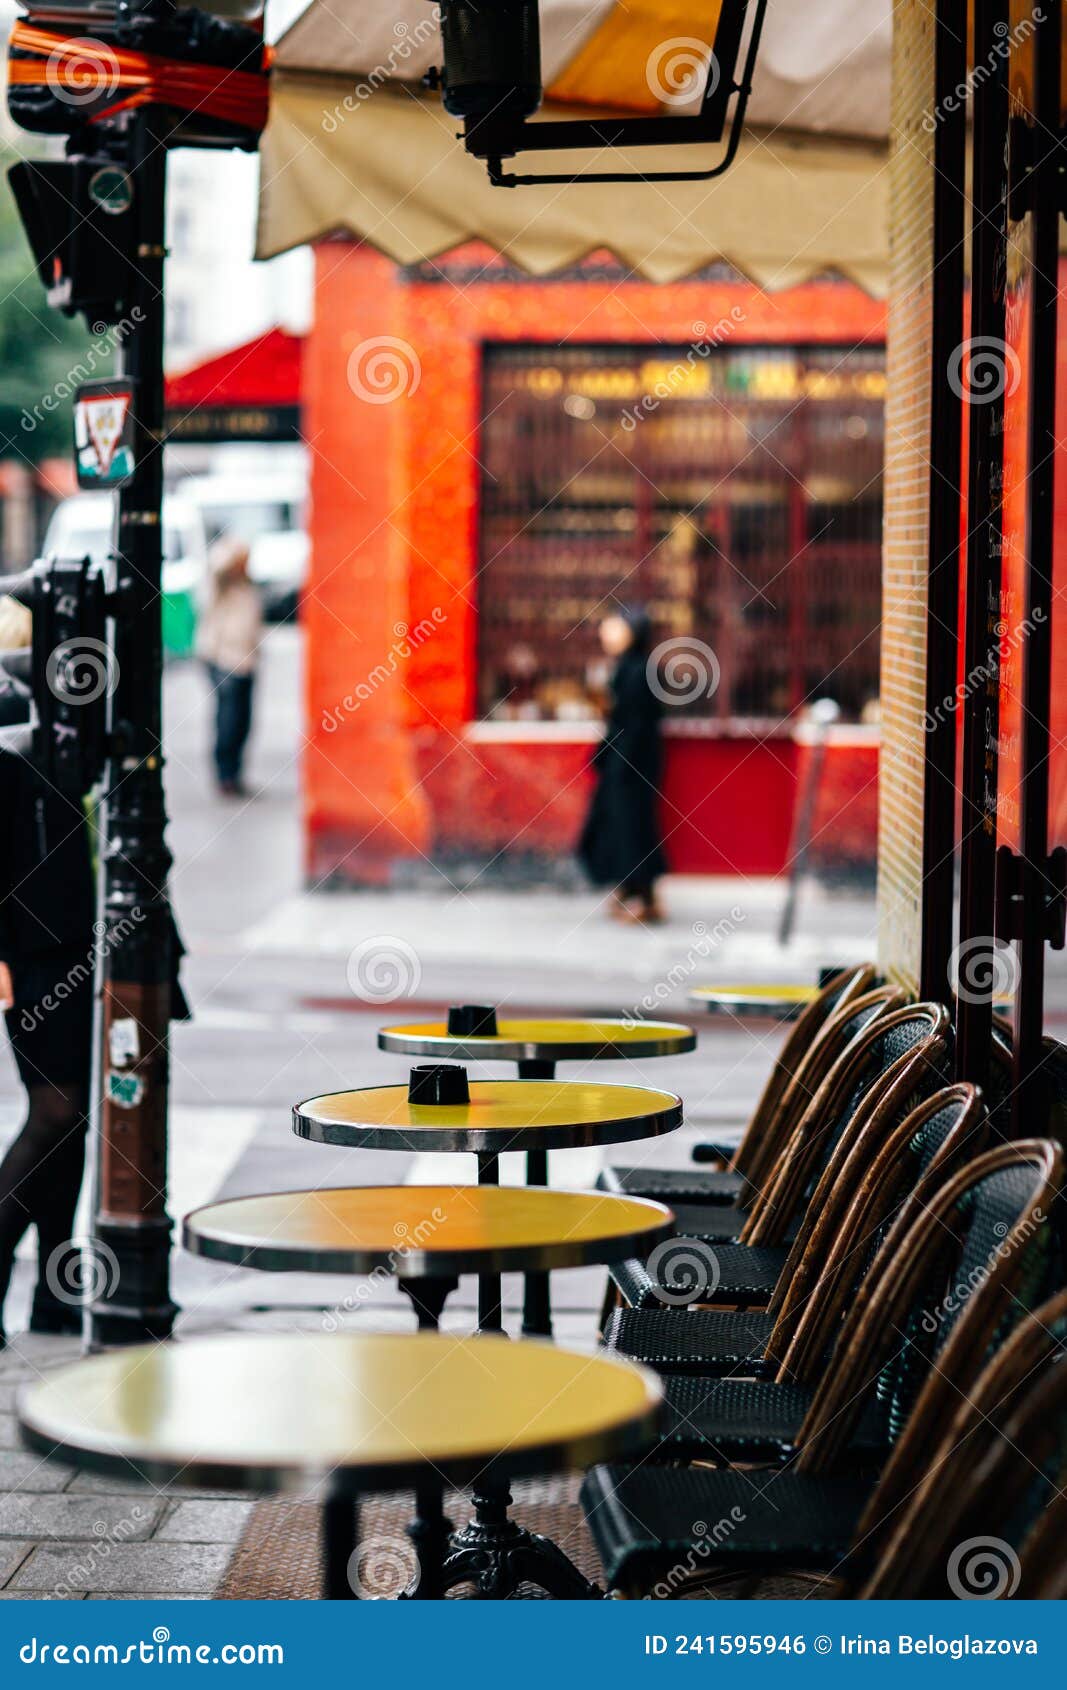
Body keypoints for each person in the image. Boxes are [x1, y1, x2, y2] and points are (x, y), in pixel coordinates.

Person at [0, 603, 96, 1347]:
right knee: (55, 1111)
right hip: (31, 950)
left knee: (74, 1121)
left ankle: (56, 1294)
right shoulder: (12, 724)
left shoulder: (66, 726)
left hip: (77, 938)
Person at [578, 605, 667, 924]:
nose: (606, 633)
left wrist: (620, 764)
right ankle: (632, 891)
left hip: (632, 767)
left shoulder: (641, 670)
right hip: (624, 764)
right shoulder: (627, 667)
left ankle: (641, 895)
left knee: (633, 829)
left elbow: (637, 725)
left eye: (614, 628)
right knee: (622, 829)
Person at [196, 536, 263, 796]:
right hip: (224, 659)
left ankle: (235, 774)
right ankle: (225, 775)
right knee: (228, 719)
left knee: (243, 720)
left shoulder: (247, 586)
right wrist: (234, 549)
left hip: (246, 660)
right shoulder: (221, 582)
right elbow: (218, 566)